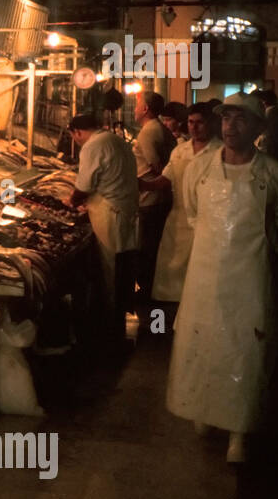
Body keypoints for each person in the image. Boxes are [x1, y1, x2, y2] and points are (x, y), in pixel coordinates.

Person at [166, 93, 278, 463]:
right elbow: (192, 213)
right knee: (203, 342)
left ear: (257, 128)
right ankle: (203, 409)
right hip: (205, 276)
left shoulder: (274, 175)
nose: (231, 126)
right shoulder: (200, 170)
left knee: (245, 350)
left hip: (251, 278)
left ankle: (239, 430)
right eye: (226, 119)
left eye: (240, 120)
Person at [68, 113, 139, 345]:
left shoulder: (91, 146)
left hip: (109, 212)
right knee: (122, 267)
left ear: (77, 132)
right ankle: (116, 324)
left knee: (111, 272)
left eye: (74, 137)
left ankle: (110, 334)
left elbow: (84, 186)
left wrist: (70, 203)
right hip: (124, 209)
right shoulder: (115, 139)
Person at [150, 101, 221, 304]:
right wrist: (137, 184)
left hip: (208, 222)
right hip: (178, 218)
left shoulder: (220, 152)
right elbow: (164, 180)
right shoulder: (180, 150)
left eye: (199, 123)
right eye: (190, 122)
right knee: (173, 274)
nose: (194, 127)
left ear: (211, 124)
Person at [133, 90, 176, 310]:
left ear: (145, 109)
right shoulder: (157, 129)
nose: (134, 108)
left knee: (147, 249)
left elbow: (157, 167)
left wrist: (150, 185)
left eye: (137, 104)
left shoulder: (148, 133)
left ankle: (147, 296)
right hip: (157, 198)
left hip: (150, 199)